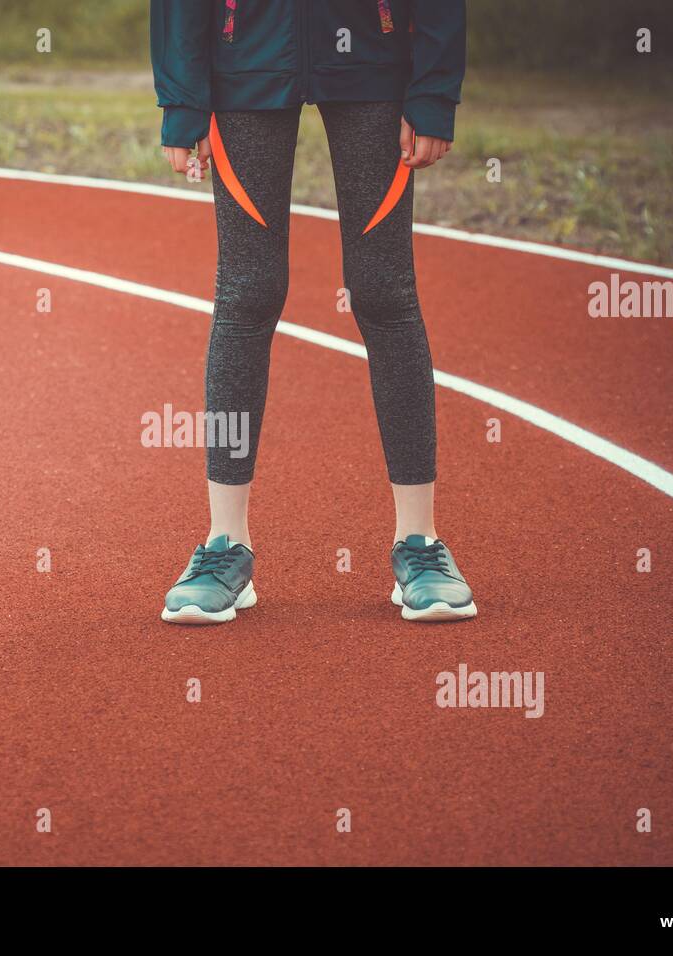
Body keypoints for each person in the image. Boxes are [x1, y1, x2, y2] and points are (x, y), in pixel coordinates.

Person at [152, 0, 475, 624]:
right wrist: (182, 100)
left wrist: (433, 88)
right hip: (244, 56)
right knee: (246, 292)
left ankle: (421, 545)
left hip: (376, 62)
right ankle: (226, 546)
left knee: (383, 290)